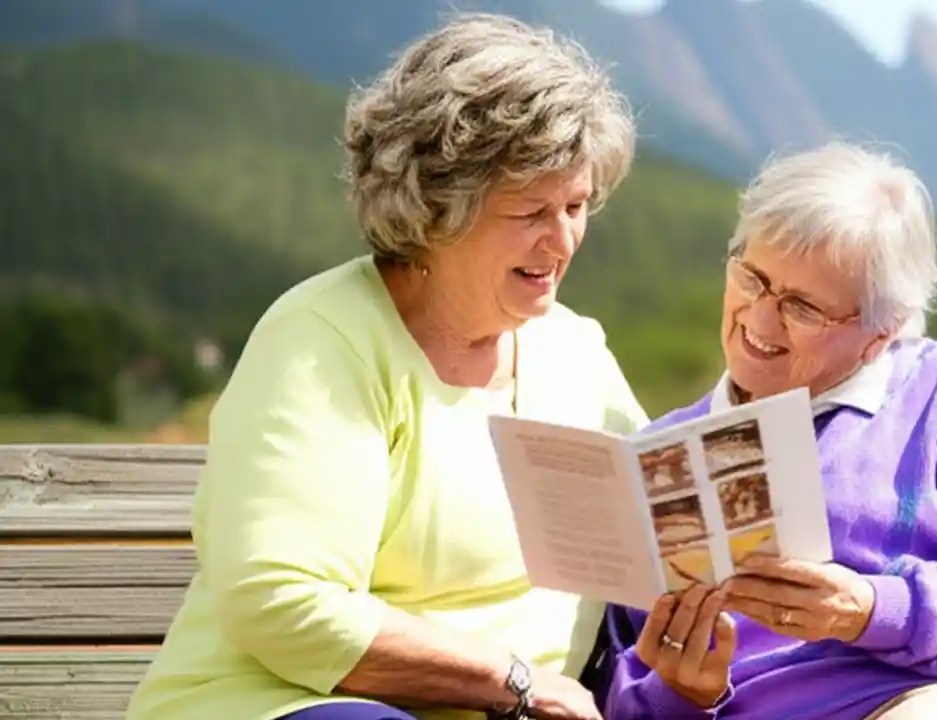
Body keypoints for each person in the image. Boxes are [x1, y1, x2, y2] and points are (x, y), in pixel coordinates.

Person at [125, 13, 645, 720]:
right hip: (283, 705)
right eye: (530, 212)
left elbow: (659, 531)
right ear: (437, 209)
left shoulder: (576, 350)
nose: (562, 241)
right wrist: (512, 680)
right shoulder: (322, 338)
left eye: (578, 206)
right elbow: (279, 601)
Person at [601, 142, 937, 720]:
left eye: (803, 307)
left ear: (881, 332)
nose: (759, 321)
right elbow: (621, 684)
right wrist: (681, 694)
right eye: (753, 278)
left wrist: (873, 610)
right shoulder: (666, 451)